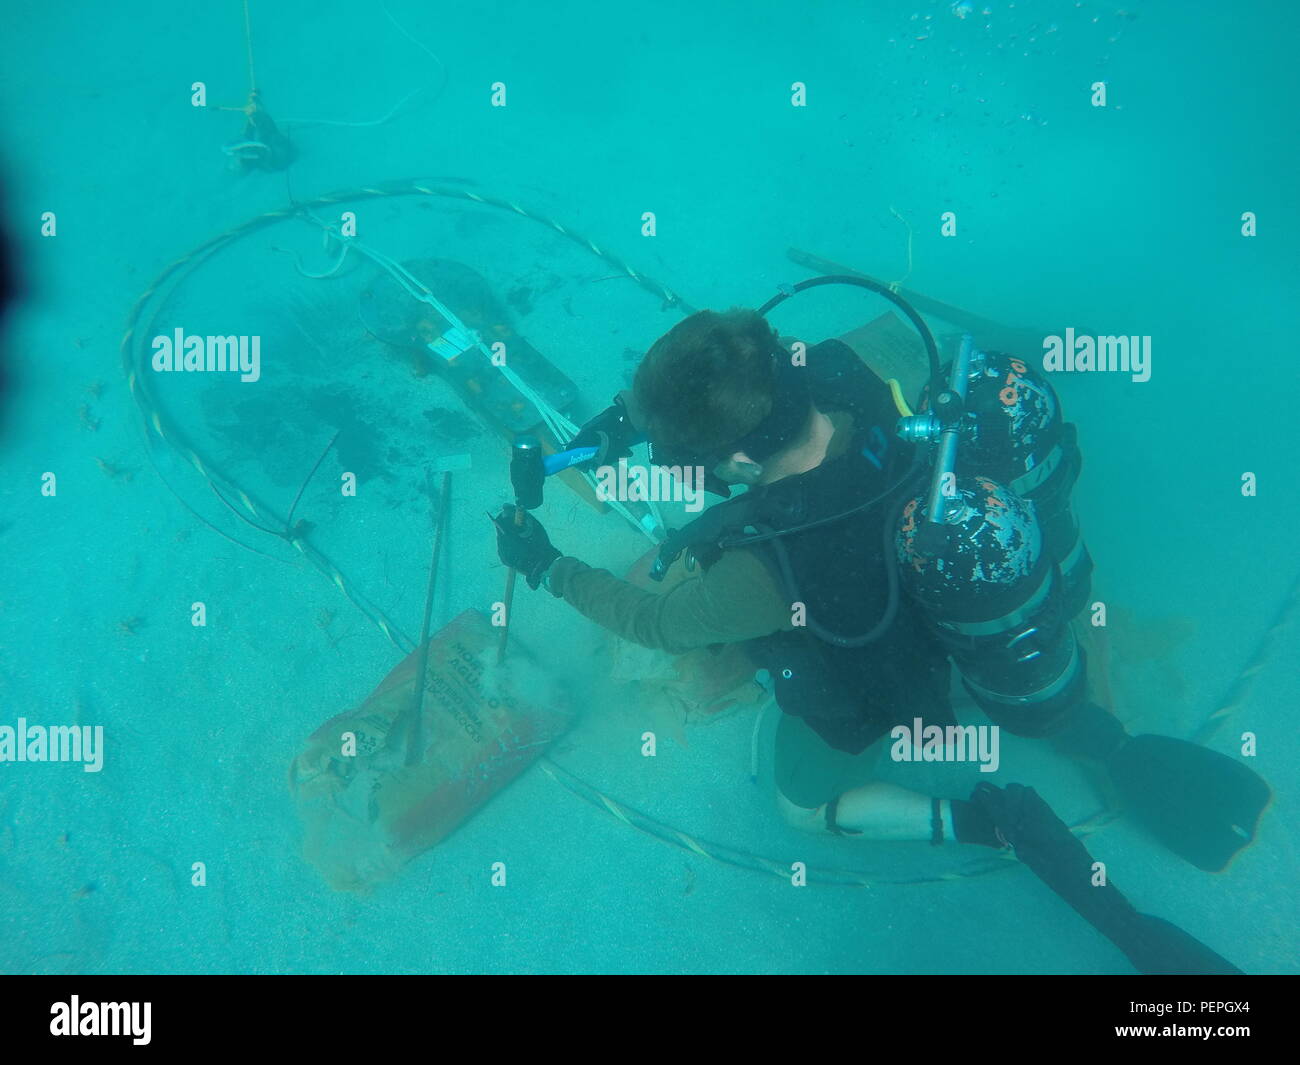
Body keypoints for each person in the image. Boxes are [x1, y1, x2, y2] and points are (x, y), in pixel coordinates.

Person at [491, 309, 1268, 970]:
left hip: (894, 673)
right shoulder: (842, 368)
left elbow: (653, 621)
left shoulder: (760, 571)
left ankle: (979, 822)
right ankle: (1081, 728)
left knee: (796, 805)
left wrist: (546, 564)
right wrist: (616, 430)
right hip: (955, 599)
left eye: (690, 458)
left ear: (734, 460)